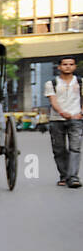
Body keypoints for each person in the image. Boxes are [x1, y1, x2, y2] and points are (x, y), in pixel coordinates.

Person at [45, 55, 81, 188]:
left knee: (75, 148)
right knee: (59, 150)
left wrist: (80, 113)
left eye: (71, 64)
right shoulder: (52, 83)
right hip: (57, 120)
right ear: (59, 67)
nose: (68, 66)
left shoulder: (80, 82)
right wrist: (61, 112)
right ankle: (64, 176)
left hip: (76, 119)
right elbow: (53, 100)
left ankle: (73, 177)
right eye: (65, 64)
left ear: (74, 67)